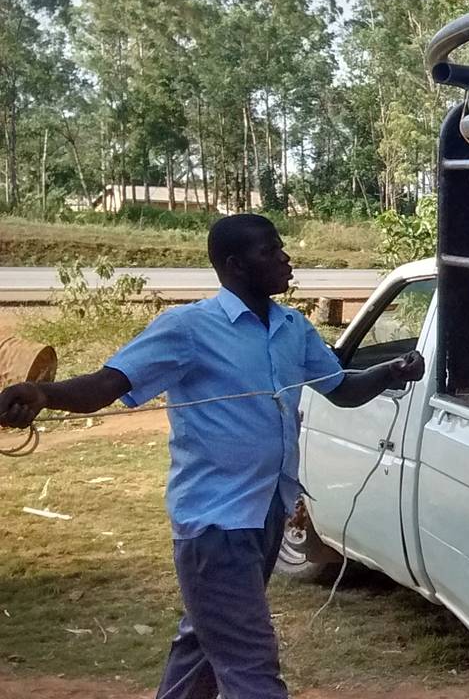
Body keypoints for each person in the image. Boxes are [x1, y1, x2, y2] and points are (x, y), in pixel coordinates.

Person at [0, 213, 425, 699]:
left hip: (268, 510)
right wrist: (43, 393)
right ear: (234, 265)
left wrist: (392, 371)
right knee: (251, 666)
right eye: (271, 251)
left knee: (205, 642)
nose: (286, 258)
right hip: (215, 521)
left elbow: (340, 389)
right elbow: (106, 384)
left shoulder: (291, 327)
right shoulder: (188, 329)